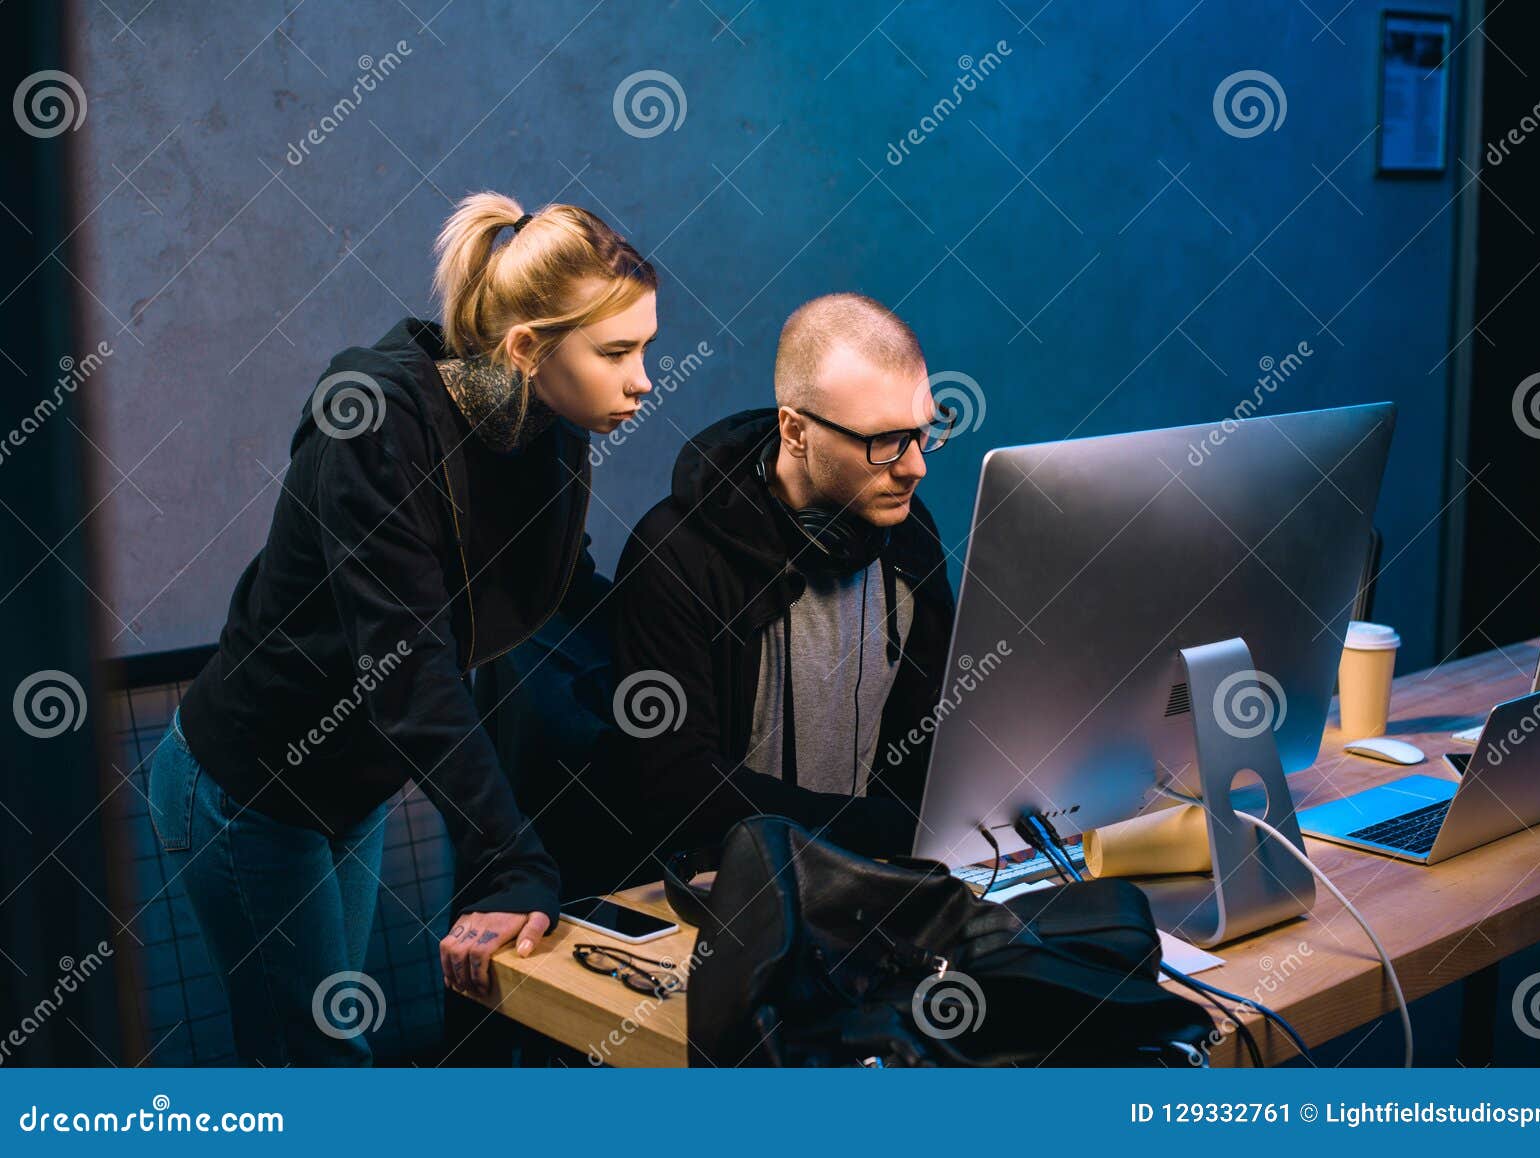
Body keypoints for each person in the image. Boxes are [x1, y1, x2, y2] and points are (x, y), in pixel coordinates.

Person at [145, 194, 658, 1065]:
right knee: (318, 1067)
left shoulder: (550, 429)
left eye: (644, 348)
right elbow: (406, 664)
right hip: (251, 793)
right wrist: (511, 865)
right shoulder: (373, 420)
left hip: (352, 788)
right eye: (617, 352)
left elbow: (569, 589)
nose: (643, 378)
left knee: (337, 1047)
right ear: (528, 348)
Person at [602, 292, 956, 864]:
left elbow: (931, 742)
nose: (915, 466)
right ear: (795, 432)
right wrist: (885, 832)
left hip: (869, 891)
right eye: (883, 442)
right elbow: (675, 790)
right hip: (720, 901)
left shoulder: (909, 536)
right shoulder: (674, 556)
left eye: (922, 432)